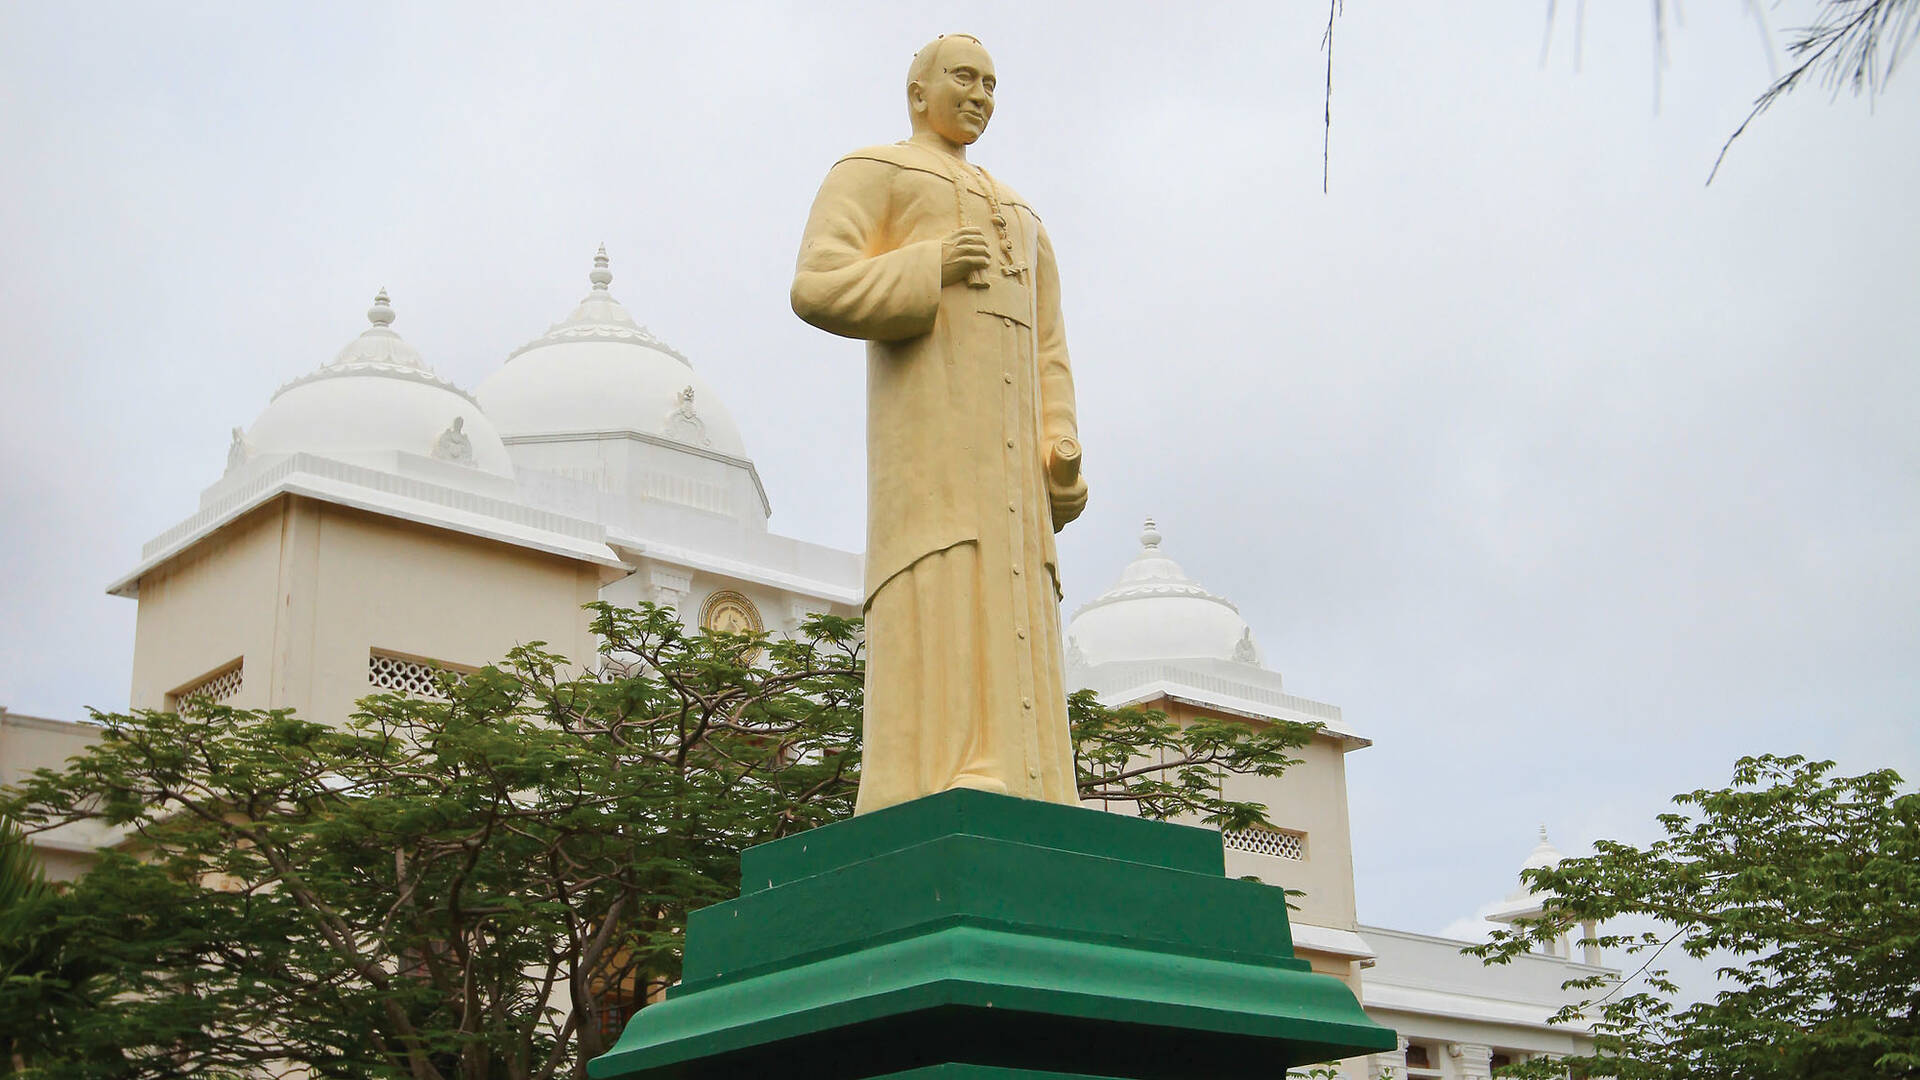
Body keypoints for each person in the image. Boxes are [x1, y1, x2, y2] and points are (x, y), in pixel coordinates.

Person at [792, 33, 1087, 814]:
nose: (981, 95)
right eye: (964, 77)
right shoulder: (873, 172)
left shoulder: (1023, 215)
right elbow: (817, 284)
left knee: (1018, 600)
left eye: (992, 83)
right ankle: (940, 775)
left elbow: (1050, 344)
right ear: (918, 92)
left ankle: (1035, 781)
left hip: (1017, 474)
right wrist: (929, 266)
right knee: (943, 584)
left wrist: (1061, 441)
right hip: (932, 452)